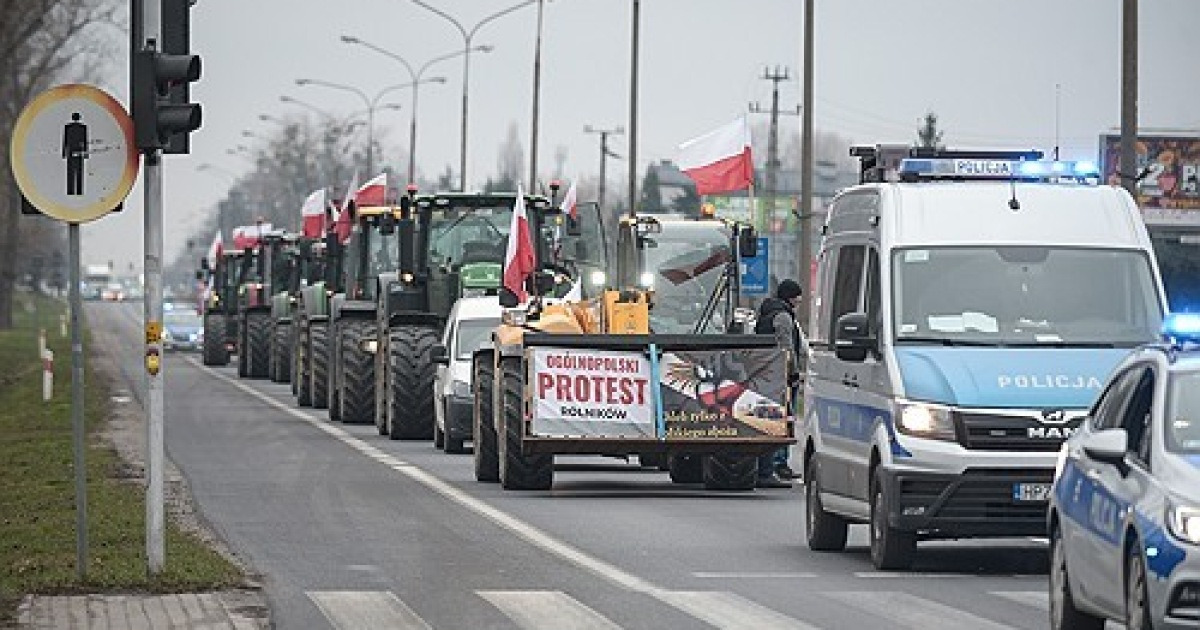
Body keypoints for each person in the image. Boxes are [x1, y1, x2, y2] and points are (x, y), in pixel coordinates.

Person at [754, 279, 808, 487]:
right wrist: (793, 372)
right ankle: (773, 466)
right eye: (798, 296)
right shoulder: (783, 317)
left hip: (765, 372)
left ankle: (770, 466)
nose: (800, 301)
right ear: (791, 296)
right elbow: (786, 347)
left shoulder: (766, 313)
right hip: (780, 375)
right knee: (781, 420)